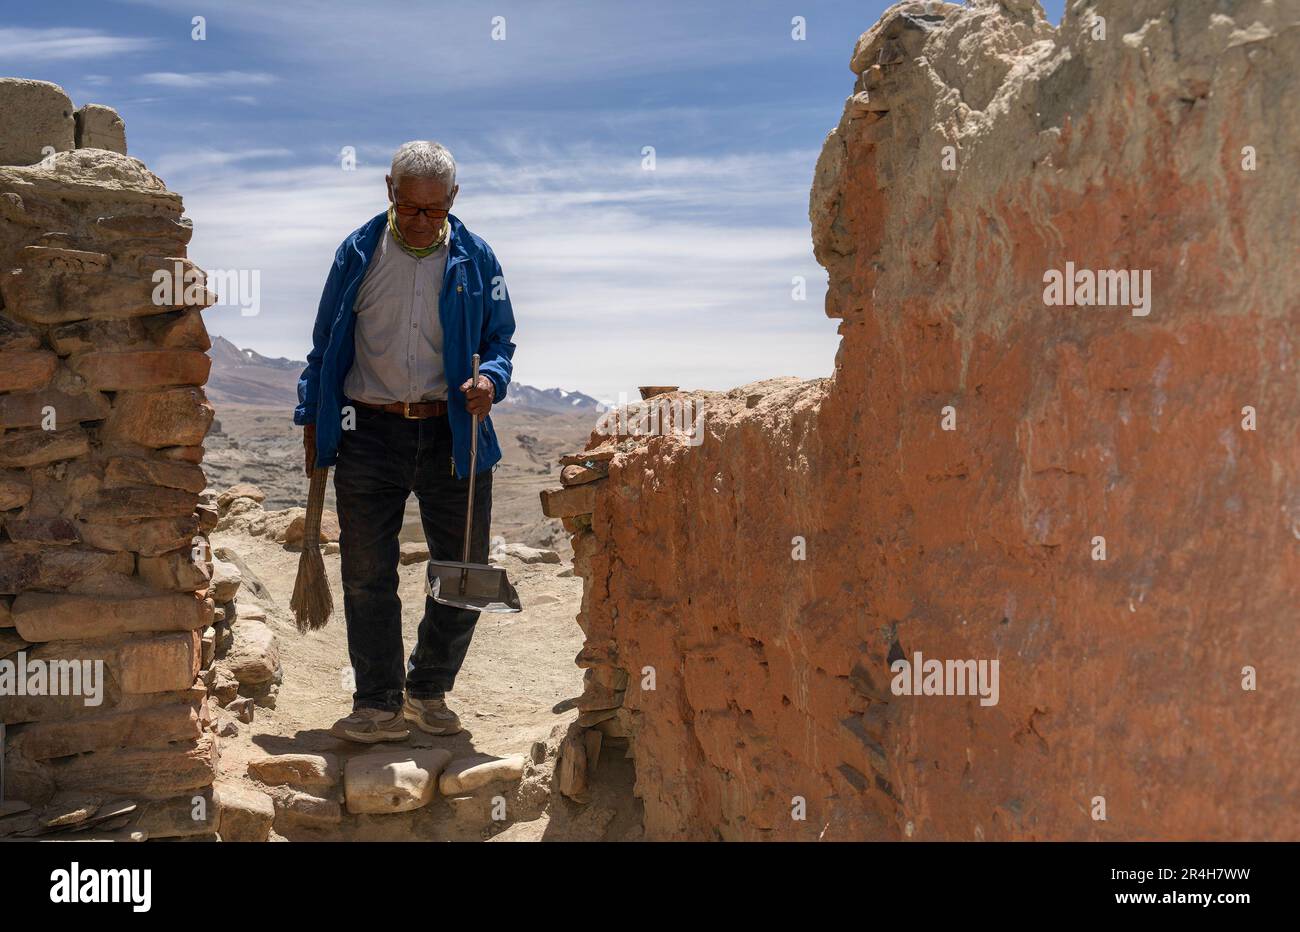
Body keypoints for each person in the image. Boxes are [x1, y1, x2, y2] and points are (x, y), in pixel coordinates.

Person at [293, 140, 517, 742]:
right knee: (369, 571)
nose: (422, 221)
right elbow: (324, 343)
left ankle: (428, 689)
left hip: (454, 430)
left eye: (434, 210)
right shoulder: (358, 253)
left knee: (463, 566)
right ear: (390, 191)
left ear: (453, 200)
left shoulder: (478, 259)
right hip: (367, 429)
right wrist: (311, 416)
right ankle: (378, 703)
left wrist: (489, 380)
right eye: (411, 208)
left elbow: (501, 340)